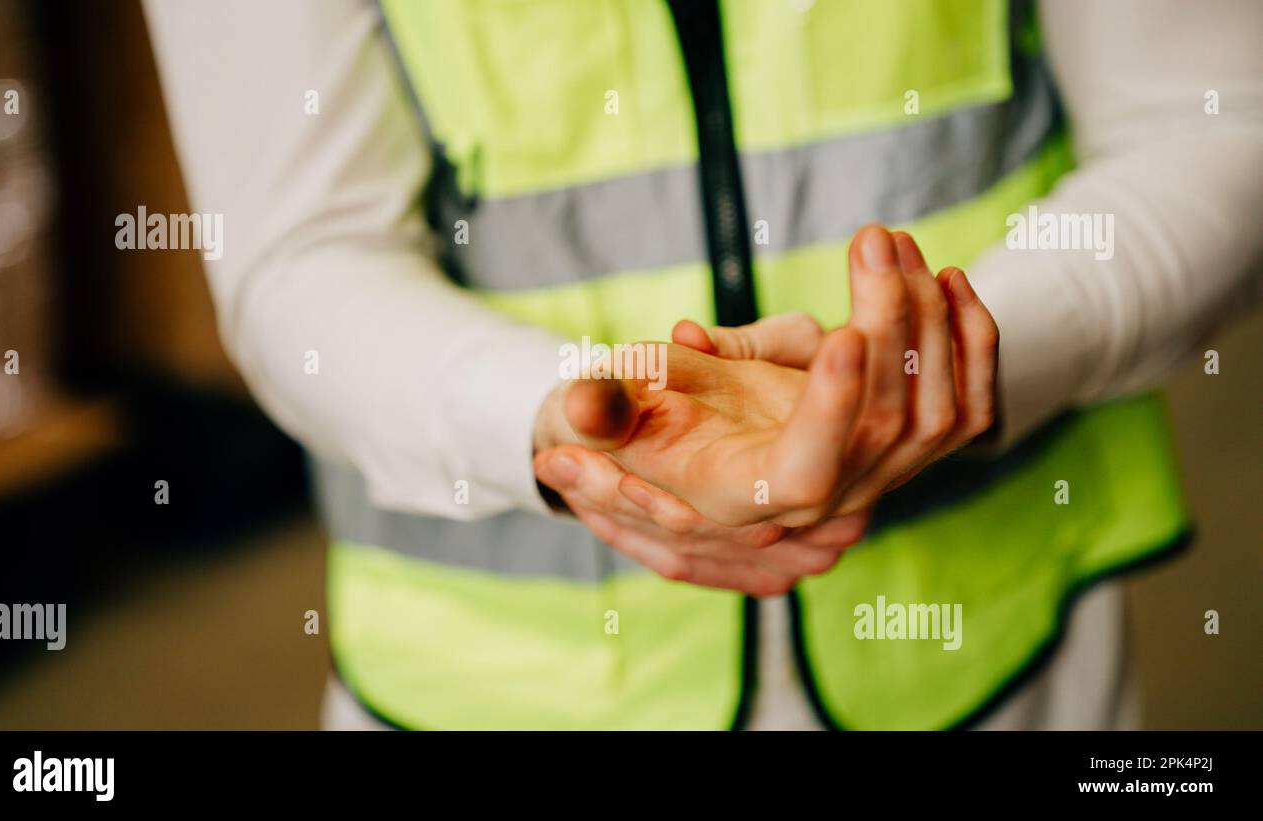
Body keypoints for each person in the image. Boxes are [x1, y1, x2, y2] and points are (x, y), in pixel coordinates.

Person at [143, 0, 1263, 729]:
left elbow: (1213, 121)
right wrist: (557, 421)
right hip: (492, 691)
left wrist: (952, 362)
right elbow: (299, 258)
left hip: (996, 662)